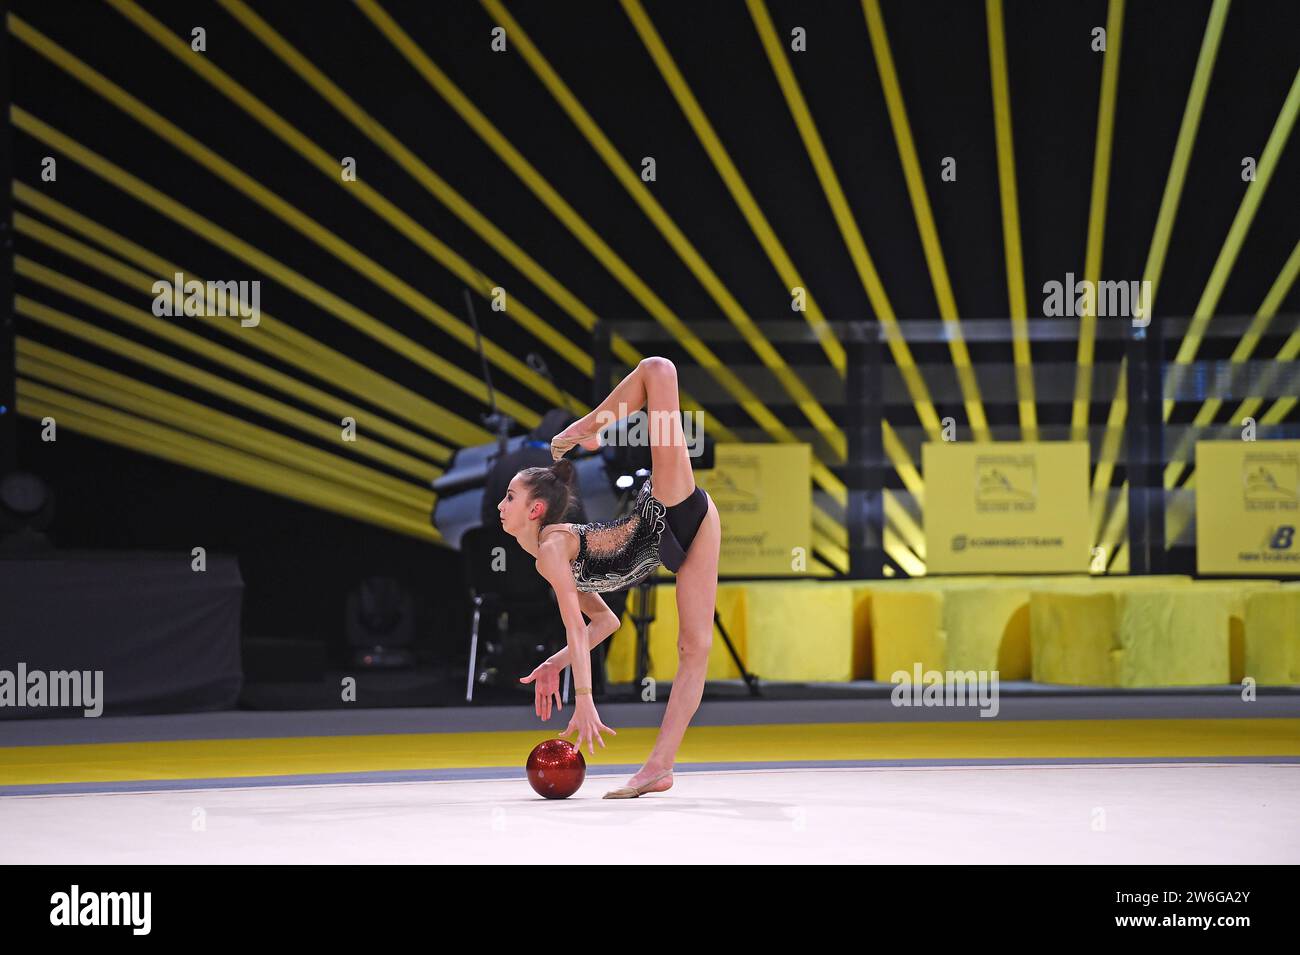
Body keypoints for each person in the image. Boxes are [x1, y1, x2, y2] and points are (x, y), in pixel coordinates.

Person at [498, 357, 721, 798]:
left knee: (659, 371)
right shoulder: (547, 554)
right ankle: (660, 768)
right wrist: (556, 663)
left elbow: (576, 627)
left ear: (535, 510)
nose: (500, 504)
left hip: (664, 510)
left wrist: (584, 699)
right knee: (693, 648)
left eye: (509, 496)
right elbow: (604, 622)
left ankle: (584, 428)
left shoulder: (551, 550)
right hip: (689, 530)